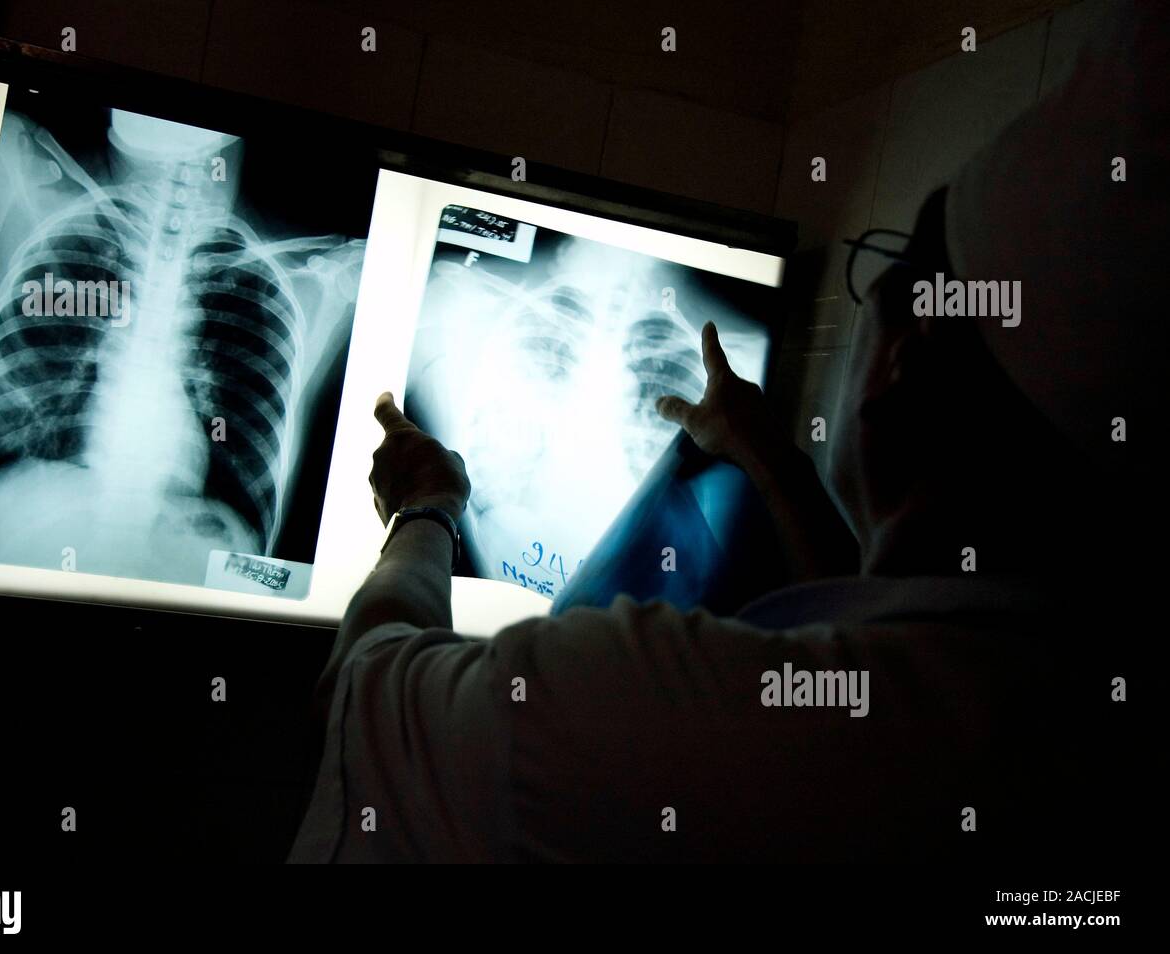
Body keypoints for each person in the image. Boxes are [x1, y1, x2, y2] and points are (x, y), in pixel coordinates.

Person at [288, 3, 1158, 863]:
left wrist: (427, 509)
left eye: (882, 271)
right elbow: (884, 634)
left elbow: (366, 699)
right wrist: (774, 460)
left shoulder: (647, 710)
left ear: (904, 355)